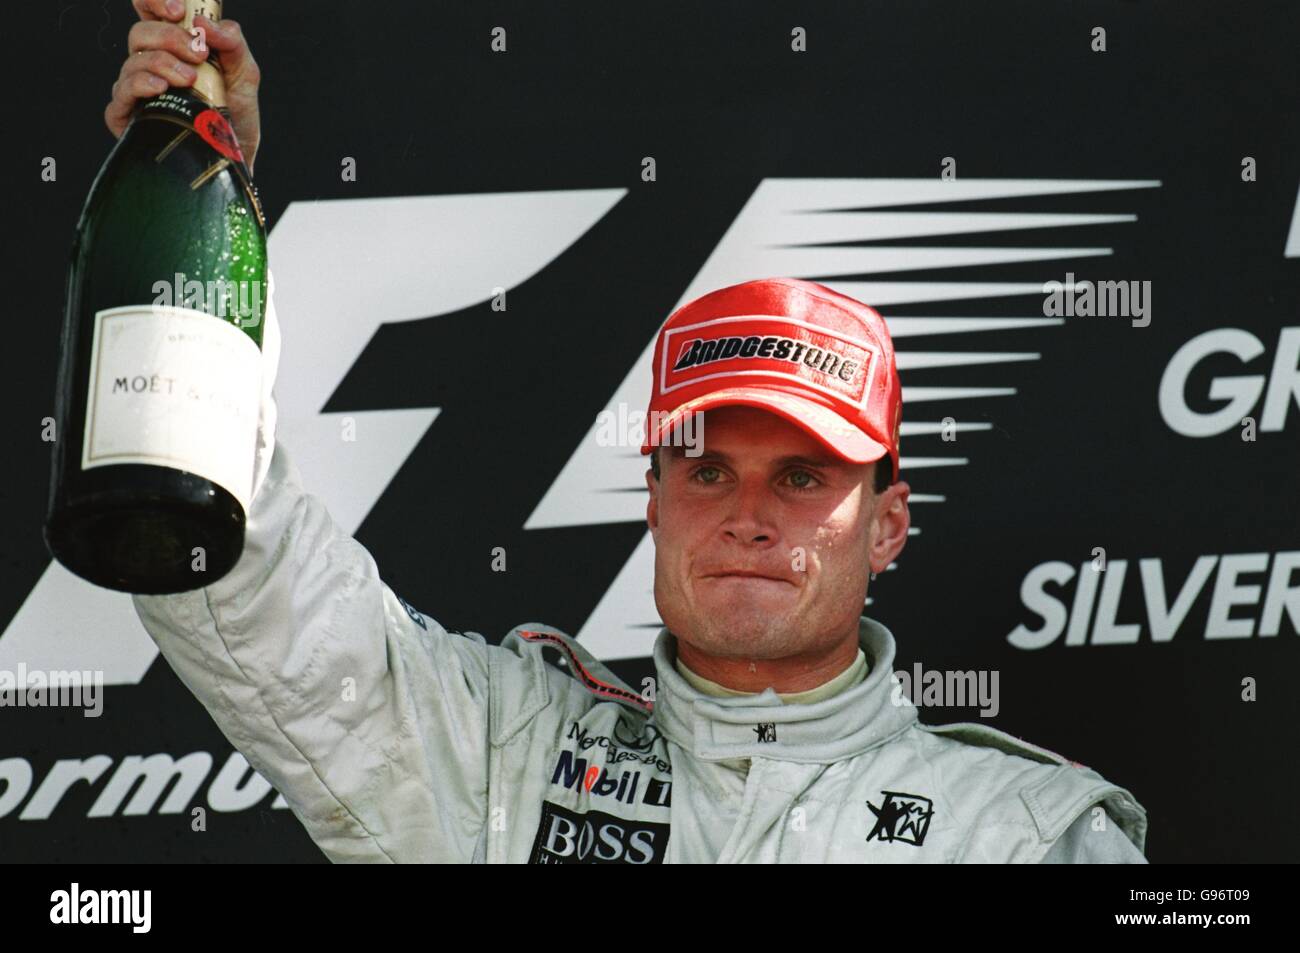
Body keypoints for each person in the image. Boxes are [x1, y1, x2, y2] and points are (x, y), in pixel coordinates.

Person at [120, 0, 1147, 863]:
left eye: (800, 477)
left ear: (885, 524)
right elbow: (241, 578)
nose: (748, 516)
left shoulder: (1019, 831)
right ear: (652, 498)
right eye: (707, 470)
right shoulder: (504, 745)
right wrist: (206, 205)